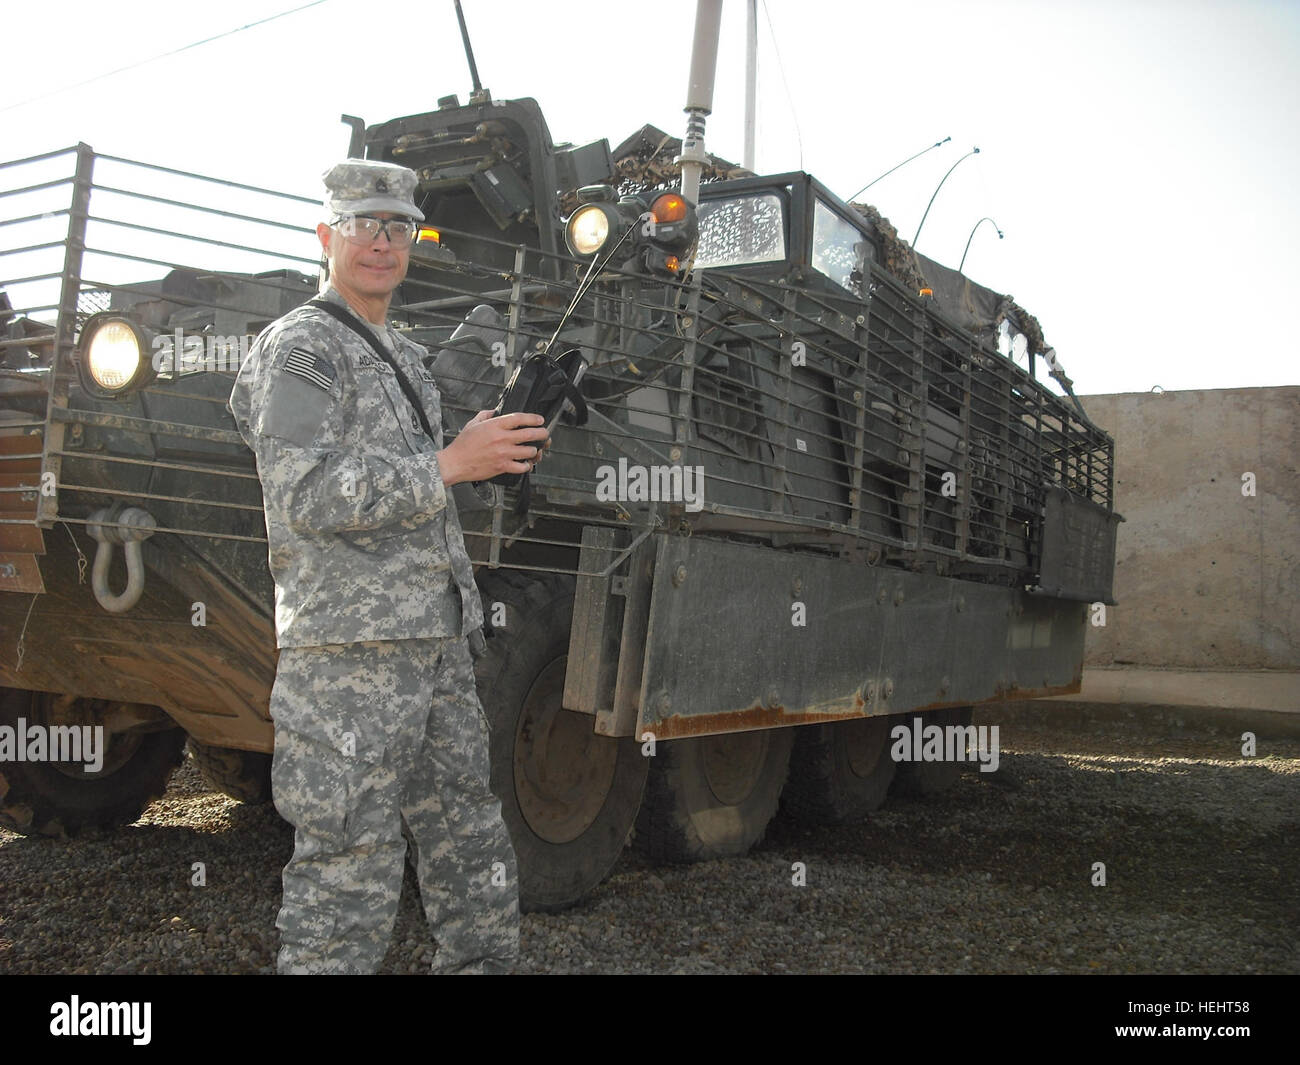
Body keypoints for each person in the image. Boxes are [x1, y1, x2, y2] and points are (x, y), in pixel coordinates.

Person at [229, 158, 549, 974]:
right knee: (347, 870)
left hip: (434, 646)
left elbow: (419, 497)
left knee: (470, 849)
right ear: (325, 235)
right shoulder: (301, 348)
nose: (381, 241)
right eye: (362, 224)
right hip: (347, 659)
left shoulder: (403, 357)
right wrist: (446, 464)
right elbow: (304, 494)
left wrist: (479, 450)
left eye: (397, 226)